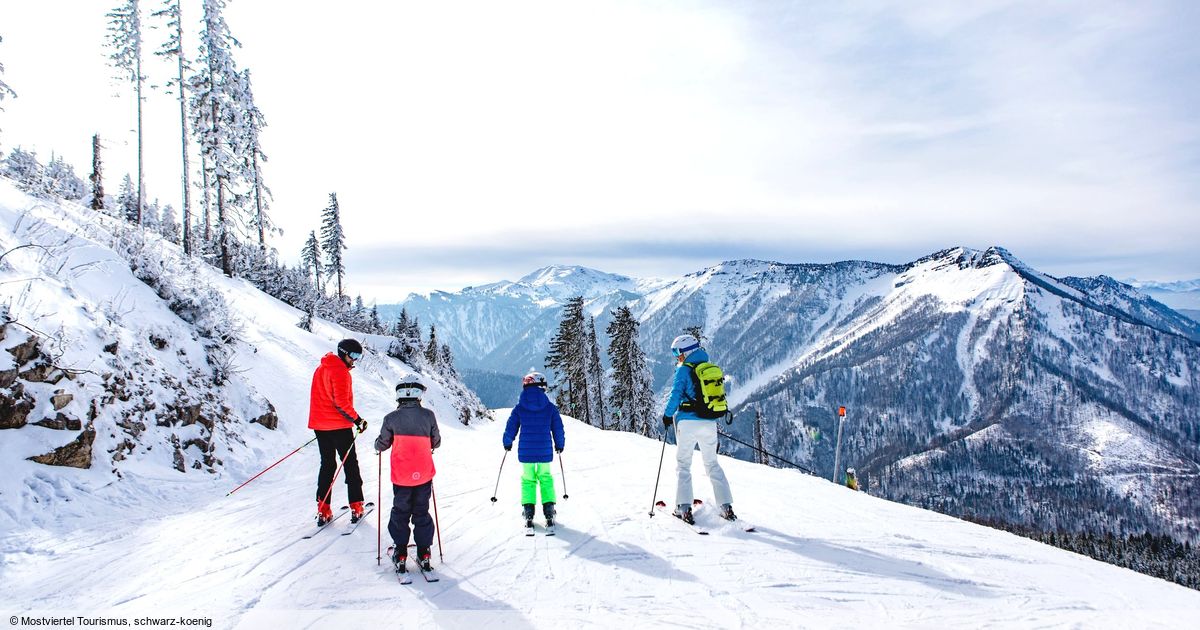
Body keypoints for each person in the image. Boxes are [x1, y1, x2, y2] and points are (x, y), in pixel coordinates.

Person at [662, 334, 735, 524]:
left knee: (684, 465)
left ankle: (684, 508)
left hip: (687, 422)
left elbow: (675, 395)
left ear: (686, 351)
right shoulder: (708, 367)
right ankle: (726, 507)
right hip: (709, 422)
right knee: (712, 464)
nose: (677, 357)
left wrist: (668, 415)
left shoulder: (684, 371)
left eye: (678, 353)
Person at [375, 377, 441, 573]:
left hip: (401, 476)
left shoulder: (391, 418)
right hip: (423, 474)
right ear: (419, 395)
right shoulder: (429, 416)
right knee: (421, 511)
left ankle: (401, 553)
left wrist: (377, 444)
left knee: (401, 512)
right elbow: (436, 442)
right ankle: (424, 553)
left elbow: (382, 444)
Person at [308, 338, 368, 525]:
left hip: (320, 426)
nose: (355, 360)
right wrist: (358, 420)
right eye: (354, 356)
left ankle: (323, 508)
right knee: (350, 464)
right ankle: (356, 505)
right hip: (340, 427)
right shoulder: (341, 372)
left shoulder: (321, 368)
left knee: (327, 465)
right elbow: (341, 403)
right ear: (344, 353)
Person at [502, 371, 565, 529]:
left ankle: (528, 513)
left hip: (526, 452)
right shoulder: (550, 408)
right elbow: (557, 427)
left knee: (528, 480)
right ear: (541, 386)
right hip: (544, 451)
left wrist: (507, 441)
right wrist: (559, 444)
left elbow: (511, 426)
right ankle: (549, 511)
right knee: (545, 478)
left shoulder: (519, 408)